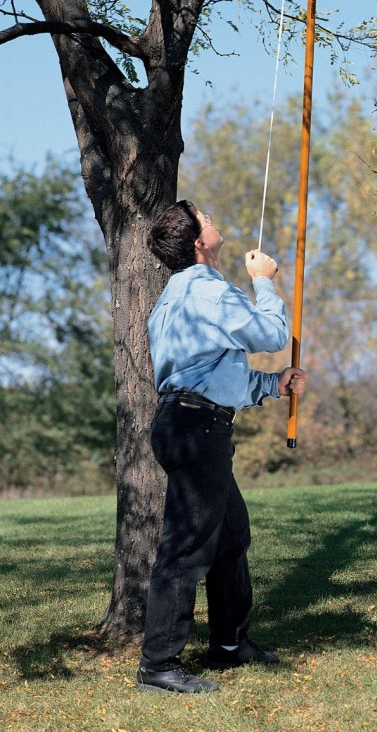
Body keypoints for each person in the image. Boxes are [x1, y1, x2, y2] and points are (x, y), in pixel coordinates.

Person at [136, 200, 306, 695]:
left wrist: (273, 386)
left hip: (187, 422)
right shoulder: (207, 290)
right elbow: (272, 334)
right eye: (205, 219)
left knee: (230, 537)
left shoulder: (173, 296)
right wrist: (265, 279)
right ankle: (158, 667)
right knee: (187, 547)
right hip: (196, 429)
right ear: (197, 242)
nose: (213, 221)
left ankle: (230, 644)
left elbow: (211, 374)